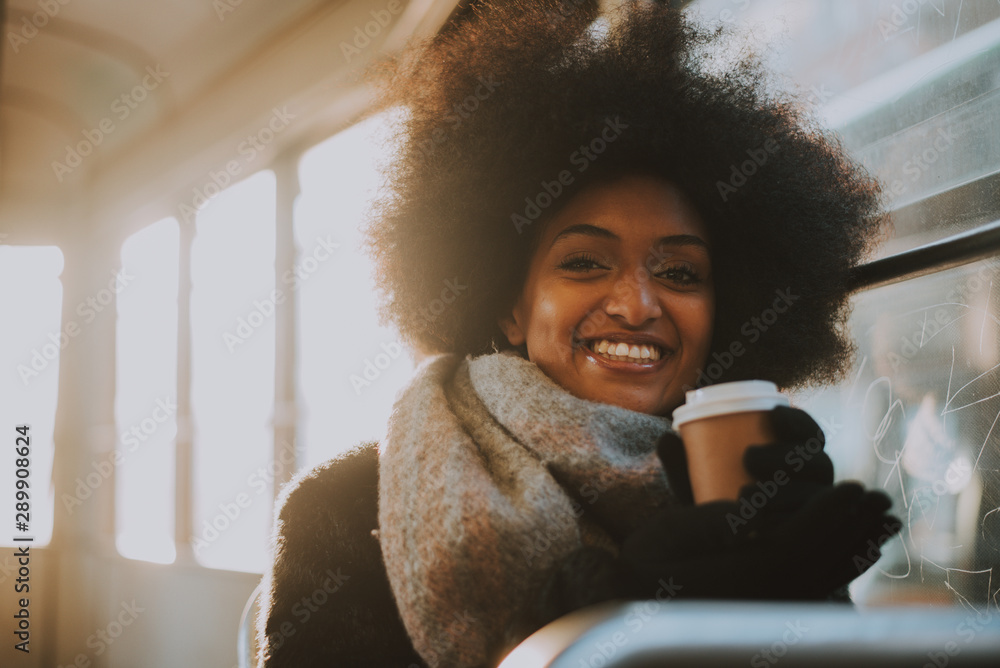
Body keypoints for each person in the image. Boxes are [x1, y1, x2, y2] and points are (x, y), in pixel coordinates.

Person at [256, 1, 900, 666]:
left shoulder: (752, 493)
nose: (636, 303)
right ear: (509, 304)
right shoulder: (346, 504)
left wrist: (807, 601)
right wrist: (621, 626)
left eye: (680, 272)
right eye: (585, 262)